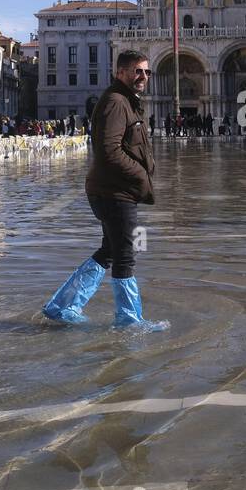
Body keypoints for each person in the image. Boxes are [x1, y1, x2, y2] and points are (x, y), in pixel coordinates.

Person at [43, 50, 167, 331]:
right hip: (115, 191)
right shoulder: (115, 102)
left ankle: (62, 306)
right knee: (126, 254)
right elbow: (108, 150)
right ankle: (129, 322)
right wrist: (140, 176)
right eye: (137, 71)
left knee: (110, 251)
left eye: (147, 72)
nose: (143, 77)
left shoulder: (125, 101)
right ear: (120, 72)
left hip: (114, 189)